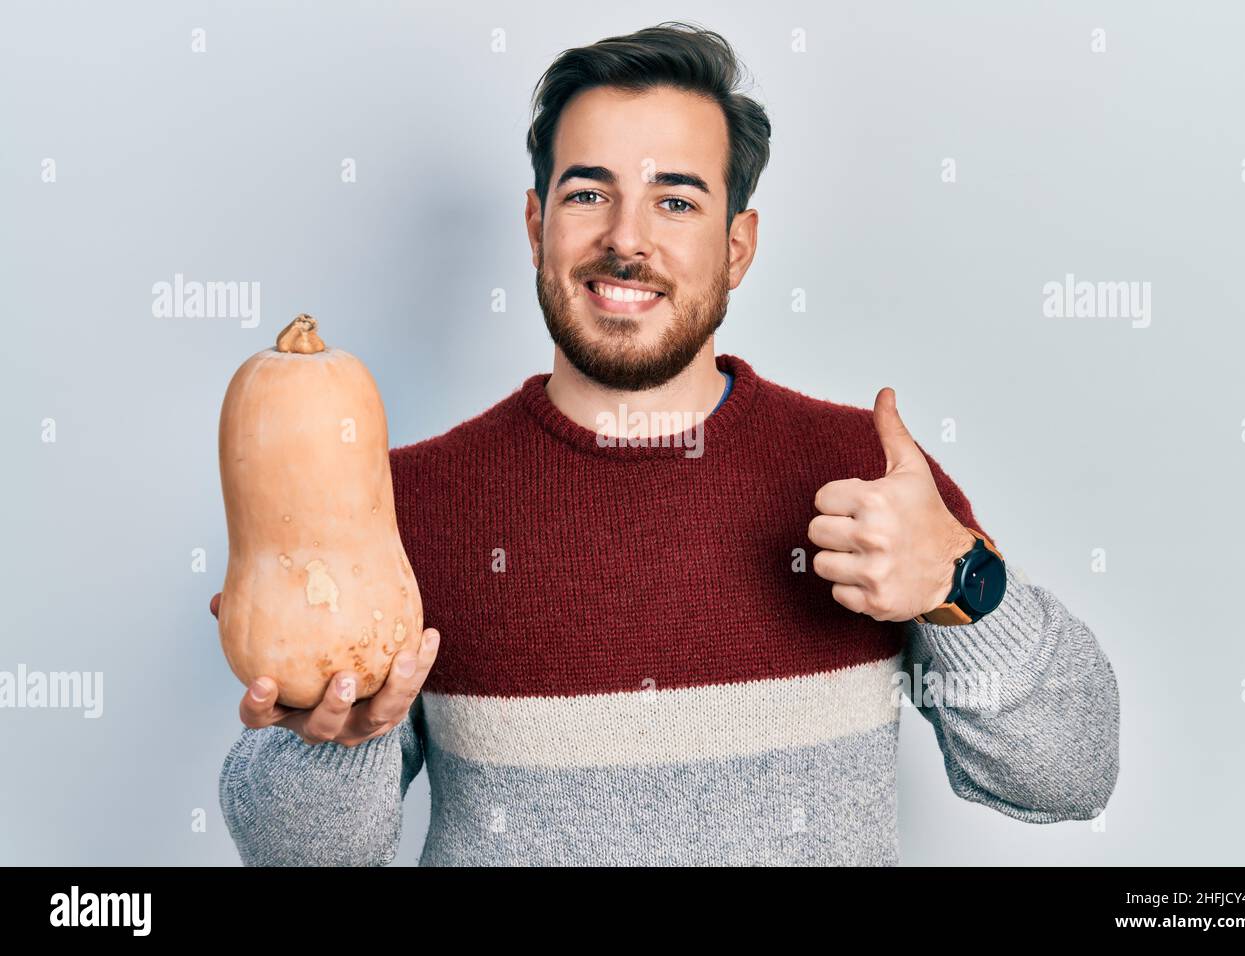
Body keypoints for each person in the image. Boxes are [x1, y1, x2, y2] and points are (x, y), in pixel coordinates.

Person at [215, 21, 1119, 866]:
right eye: (588, 193)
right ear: (536, 227)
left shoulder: (874, 482)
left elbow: (1070, 774)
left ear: (737, 247)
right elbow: (303, 857)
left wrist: (966, 581)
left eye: (675, 200)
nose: (626, 239)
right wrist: (331, 743)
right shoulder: (402, 502)